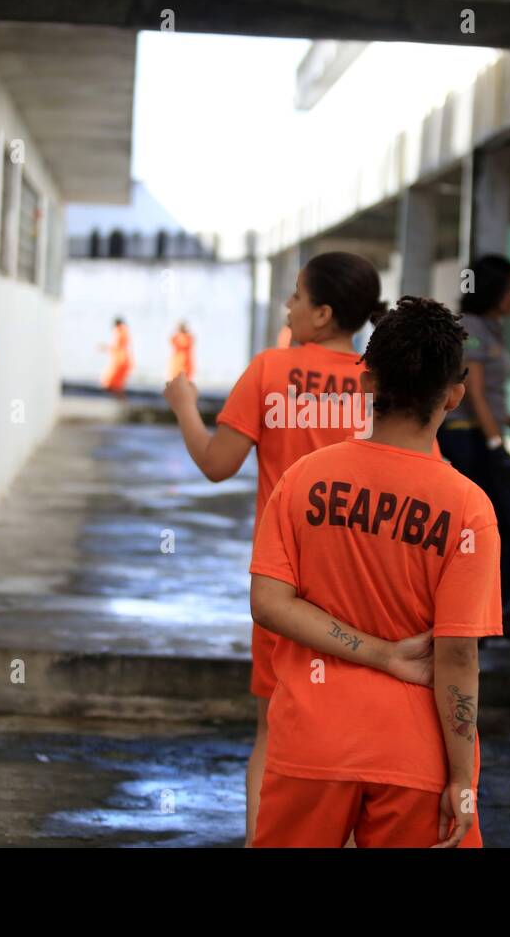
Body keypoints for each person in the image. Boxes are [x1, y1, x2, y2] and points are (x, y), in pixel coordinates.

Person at [249, 296, 503, 847]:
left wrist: (379, 652)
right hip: (415, 755)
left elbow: (269, 604)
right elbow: (457, 654)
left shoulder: (303, 479)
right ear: (455, 396)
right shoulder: (468, 508)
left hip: (310, 744)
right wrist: (462, 779)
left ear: (365, 383)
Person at [163, 251, 385, 845]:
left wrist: (185, 406)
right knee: (369, 725)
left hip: (285, 585)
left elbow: (216, 464)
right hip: (371, 580)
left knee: (274, 729)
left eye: (295, 297)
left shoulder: (269, 370)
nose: (287, 306)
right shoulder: (379, 379)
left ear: (322, 313)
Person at [437, 254, 510, 641]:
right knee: (501, 520)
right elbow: (475, 393)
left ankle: (497, 612)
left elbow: (493, 395)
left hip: (486, 433)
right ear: (494, 291)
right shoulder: (472, 328)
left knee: (508, 521)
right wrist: (496, 446)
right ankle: (479, 618)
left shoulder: (493, 329)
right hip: (467, 437)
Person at [101, 317, 132, 394]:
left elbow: (116, 347)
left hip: (120, 361)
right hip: (124, 361)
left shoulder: (120, 331)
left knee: (109, 383)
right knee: (117, 385)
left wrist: (105, 347)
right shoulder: (125, 331)